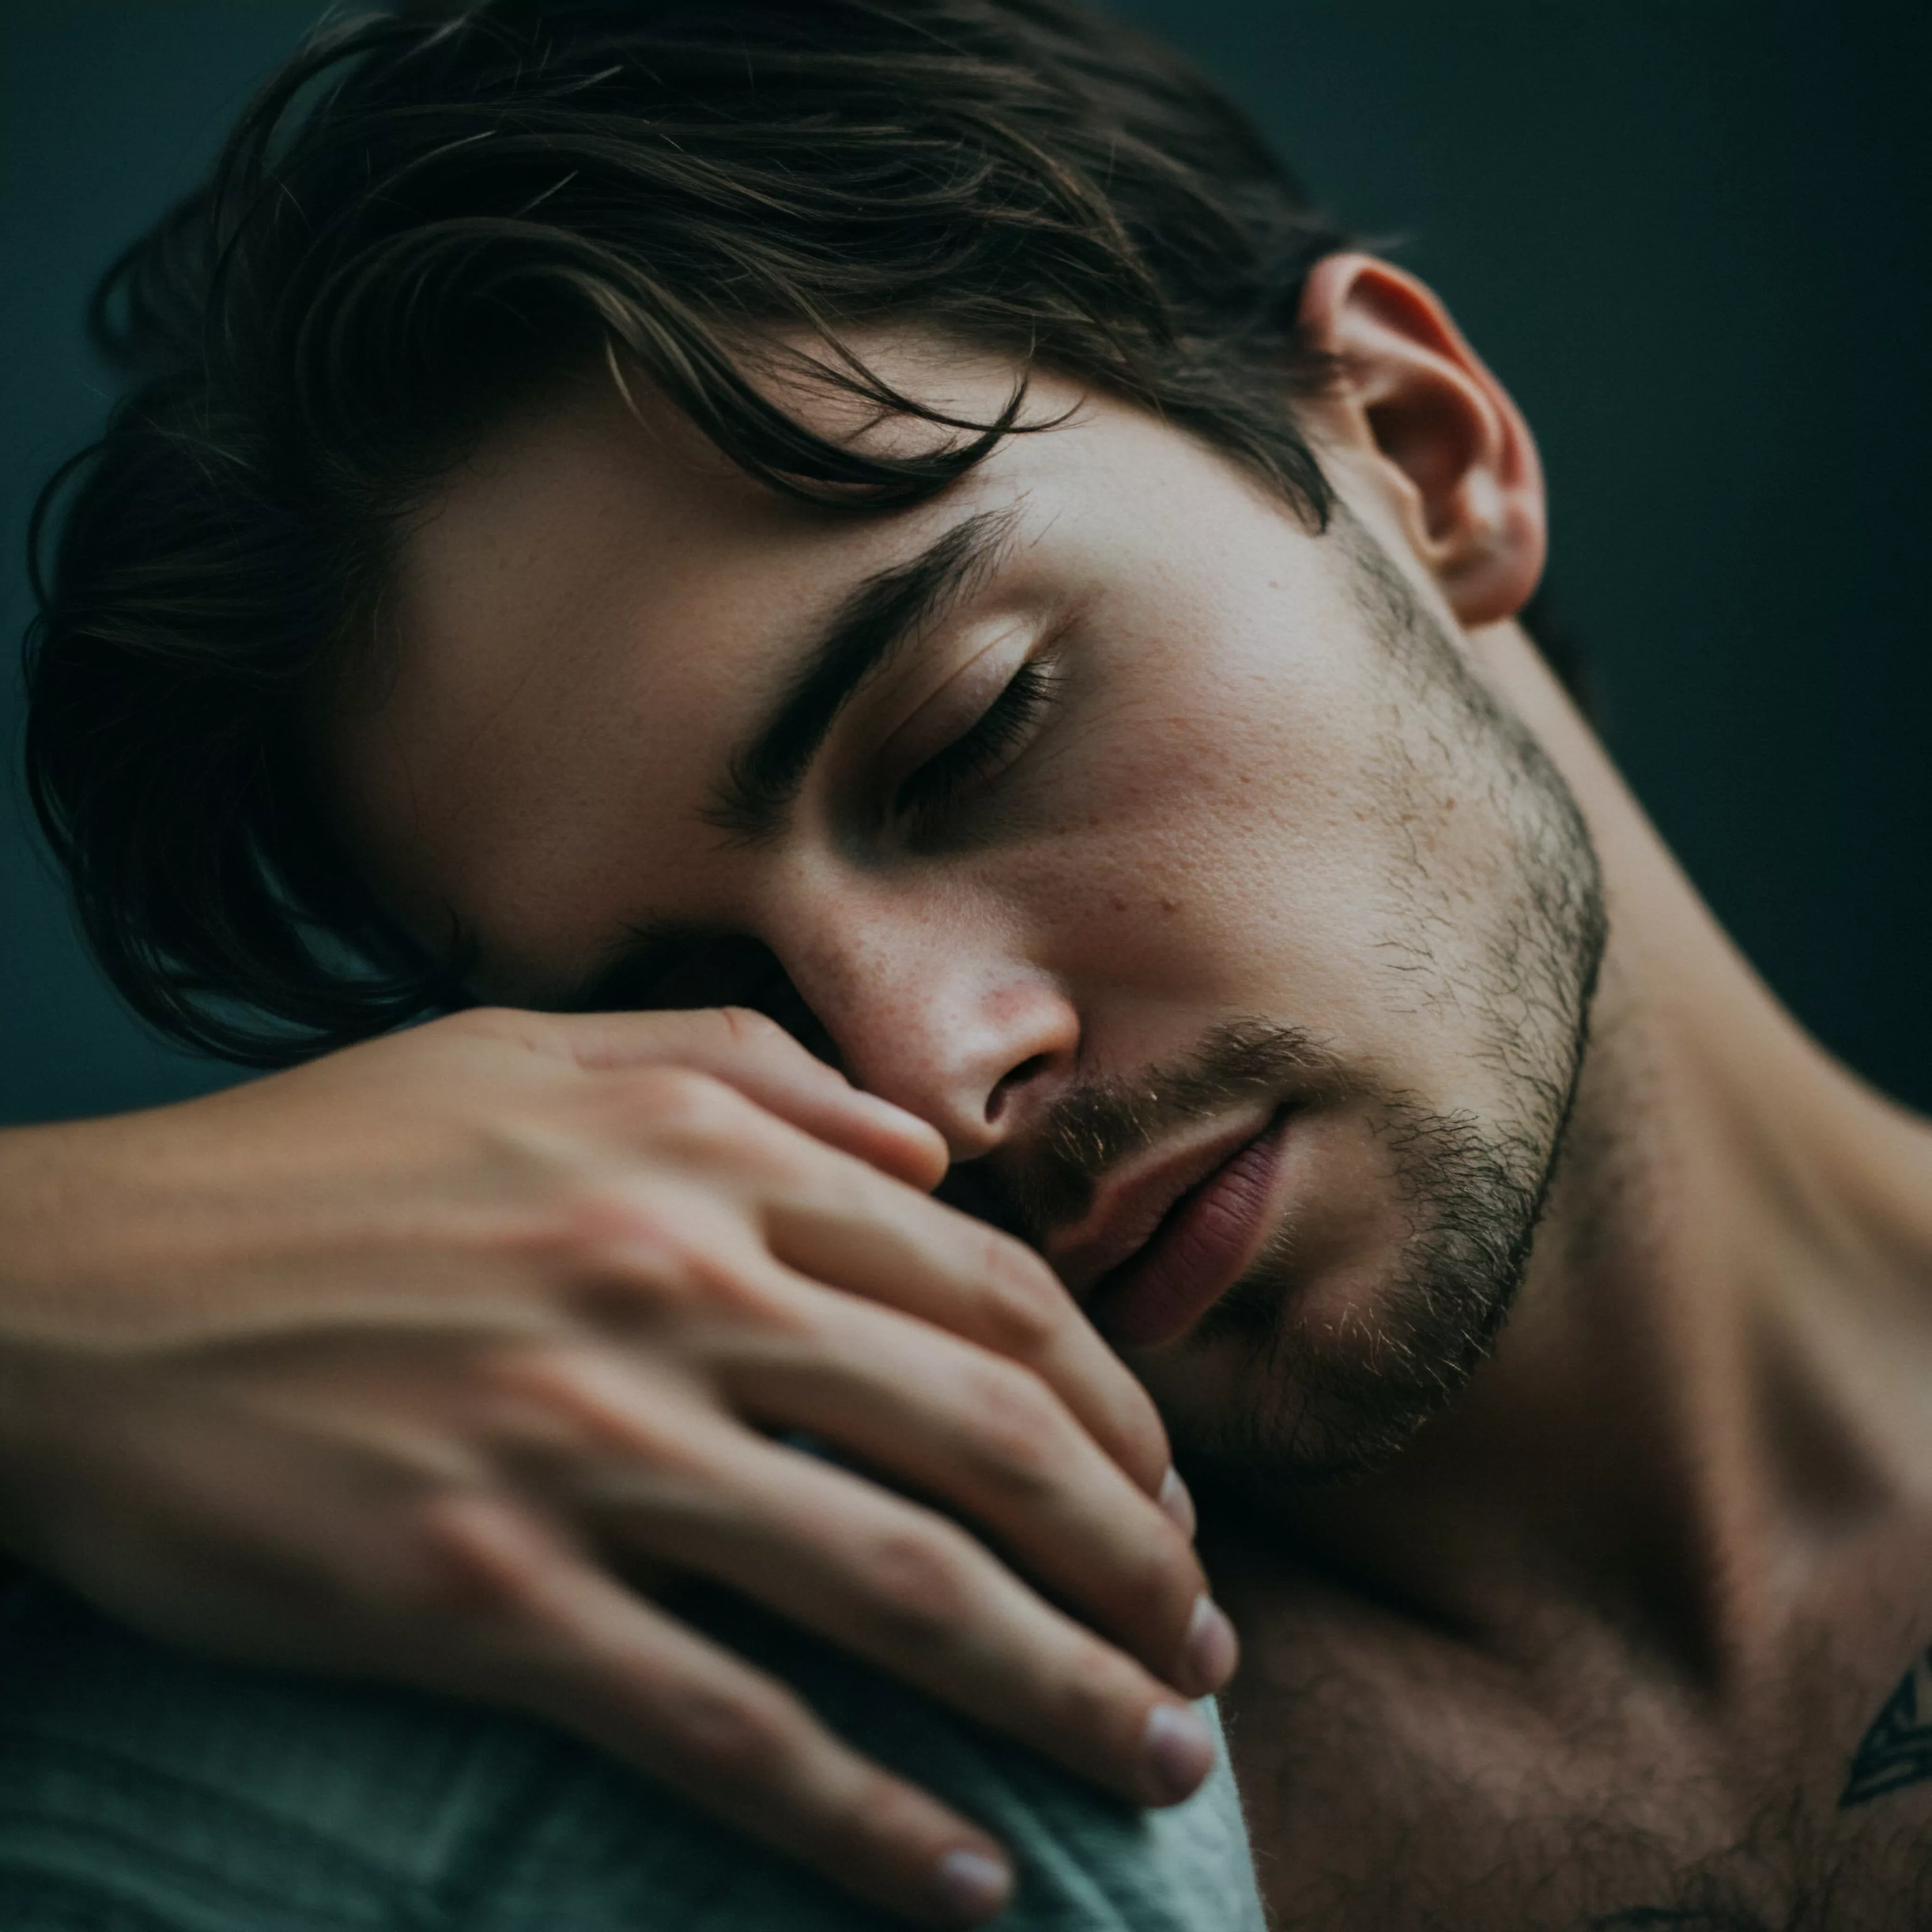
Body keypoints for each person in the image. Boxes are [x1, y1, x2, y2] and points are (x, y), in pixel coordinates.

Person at [3, 1, 1929, 1928]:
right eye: (697, 1008)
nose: (926, 1075)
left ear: (1425, 456)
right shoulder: (715, 1779)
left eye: (973, 732)